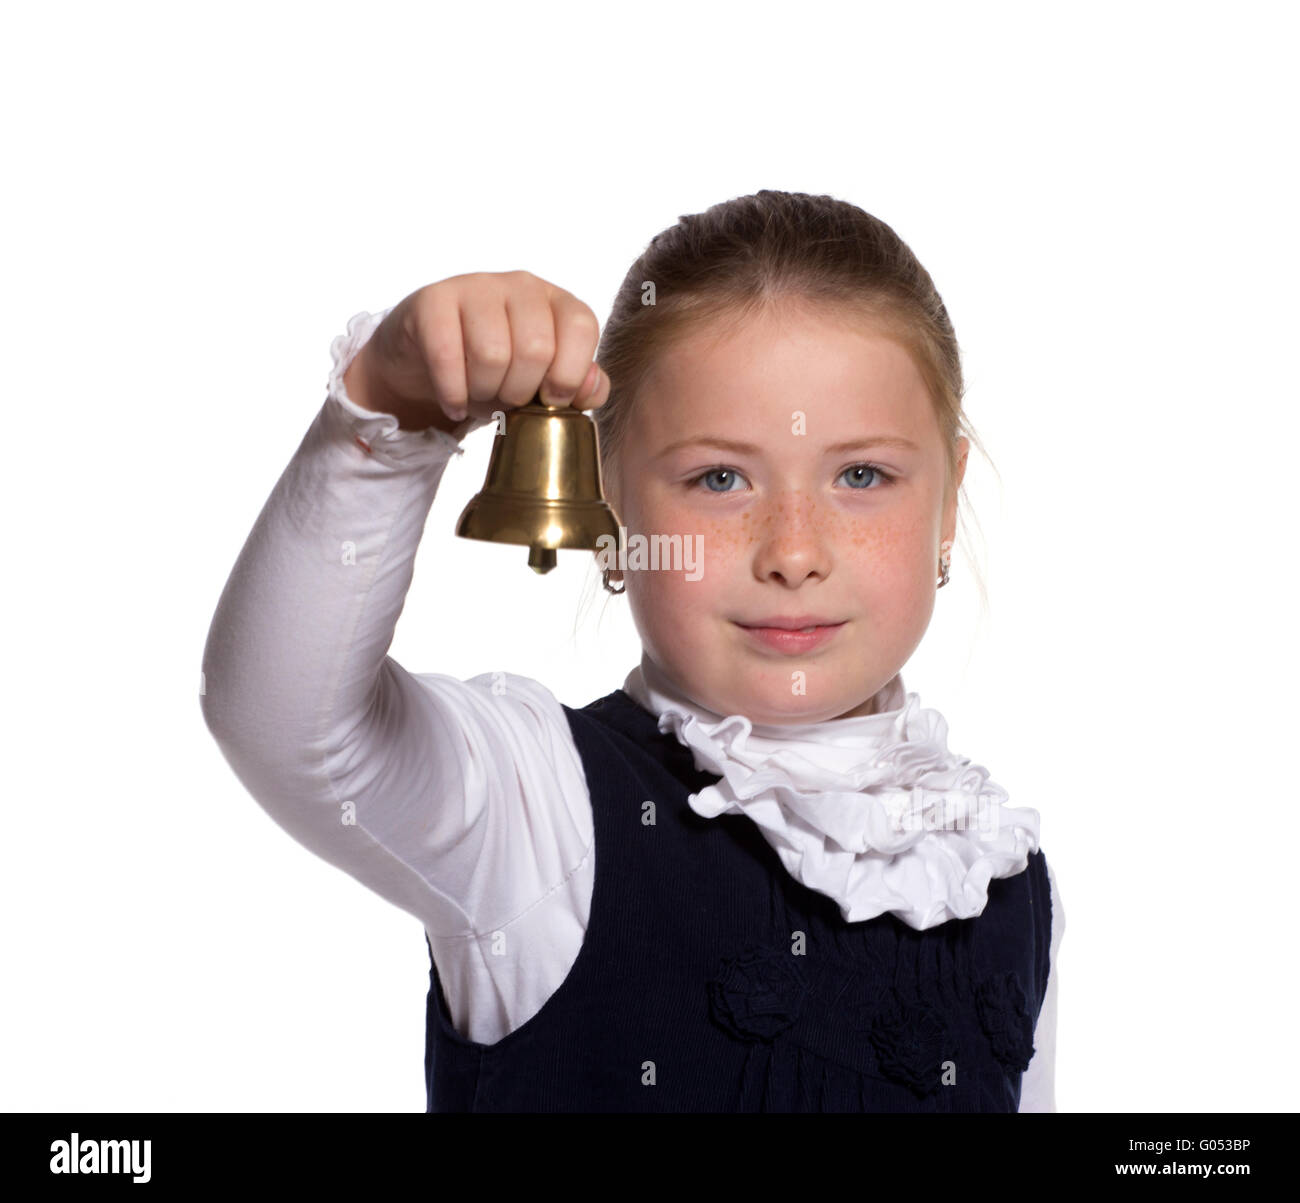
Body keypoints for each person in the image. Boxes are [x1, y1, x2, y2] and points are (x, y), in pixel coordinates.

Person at [200, 189, 1064, 1113]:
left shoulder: (995, 874)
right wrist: (389, 412)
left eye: (862, 475)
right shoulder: (541, 817)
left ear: (947, 498)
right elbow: (285, 720)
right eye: (719, 478)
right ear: (605, 500)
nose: (794, 553)